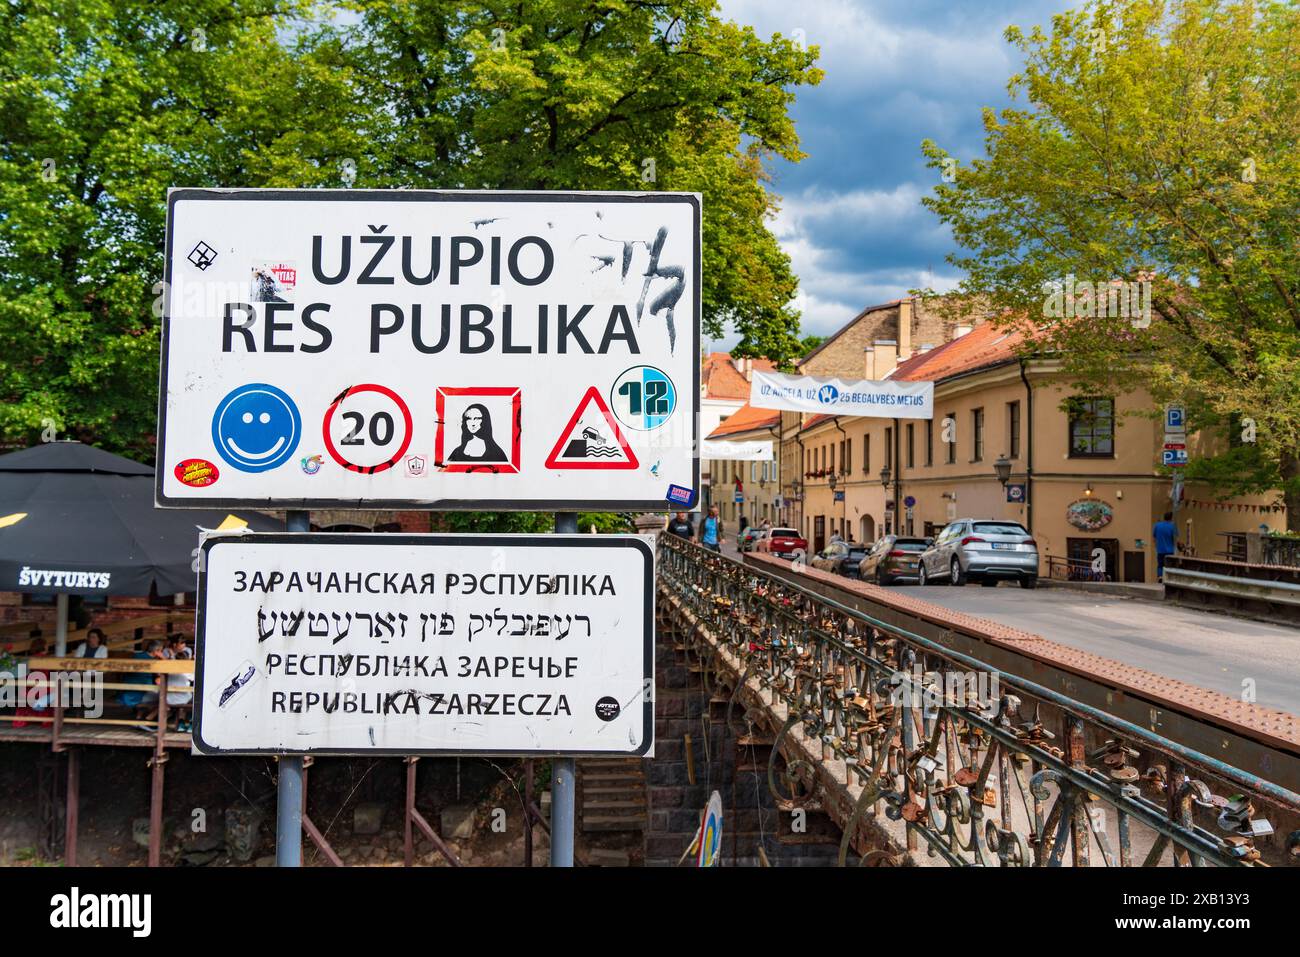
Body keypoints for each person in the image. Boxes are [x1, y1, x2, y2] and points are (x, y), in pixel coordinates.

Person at [166, 646, 195, 732]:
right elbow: (194, 679)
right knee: (196, 701)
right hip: (182, 699)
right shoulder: (188, 672)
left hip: (168, 699)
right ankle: (190, 723)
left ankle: (181, 723)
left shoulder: (169, 670)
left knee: (186, 698)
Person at [1153, 511, 1179, 582]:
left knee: (1160, 565)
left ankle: (1160, 576)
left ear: (1164, 517)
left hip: (1160, 549)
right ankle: (1168, 578)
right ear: (1171, 518)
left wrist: (1156, 547)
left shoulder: (1157, 525)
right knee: (1169, 565)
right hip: (1170, 550)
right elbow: (1175, 539)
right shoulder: (1173, 526)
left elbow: (1154, 538)